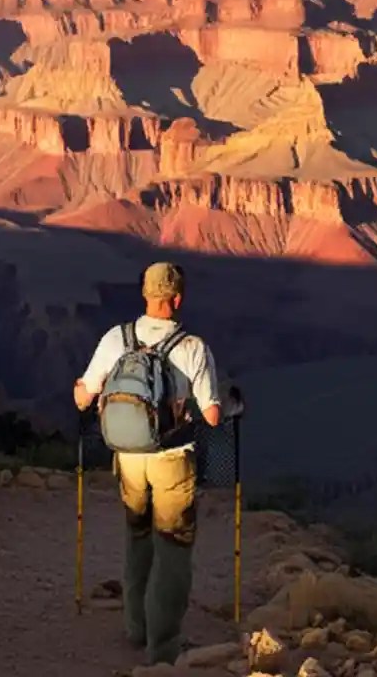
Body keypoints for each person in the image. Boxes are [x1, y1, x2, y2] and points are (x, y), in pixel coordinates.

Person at [73, 261, 234, 666]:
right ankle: (162, 645)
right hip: (172, 460)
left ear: (144, 294)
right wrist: (228, 403)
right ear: (177, 298)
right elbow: (213, 416)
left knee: (137, 536)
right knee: (173, 547)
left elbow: (83, 397)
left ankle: (135, 627)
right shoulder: (193, 346)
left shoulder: (117, 338)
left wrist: (84, 389)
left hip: (127, 457)